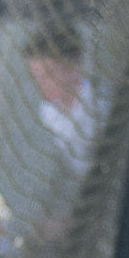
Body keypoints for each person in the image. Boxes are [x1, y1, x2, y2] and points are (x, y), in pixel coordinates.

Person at [25, 24, 101, 181]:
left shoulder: (100, 106)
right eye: (35, 78)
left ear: (74, 68)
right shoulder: (48, 112)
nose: (40, 86)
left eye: (47, 75)